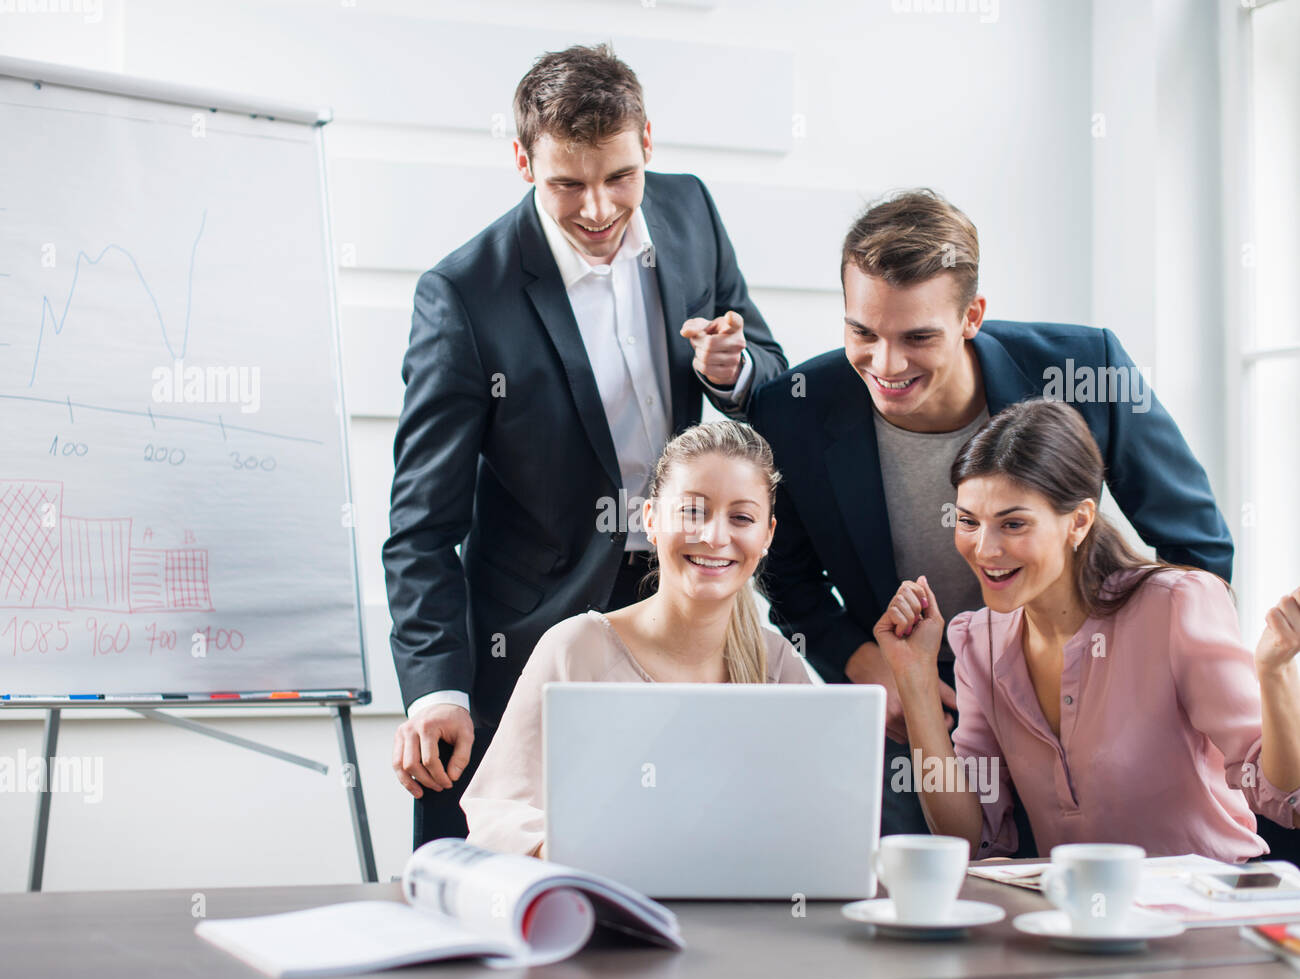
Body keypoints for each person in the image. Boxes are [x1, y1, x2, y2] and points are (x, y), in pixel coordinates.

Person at [383, 45, 787, 848]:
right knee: (497, 873)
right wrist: (437, 691)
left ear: (648, 141)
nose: (599, 209)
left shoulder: (691, 213)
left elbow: (769, 371)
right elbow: (420, 525)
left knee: (691, 854)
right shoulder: (463, 296)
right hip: (530, 631)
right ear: (522, 159)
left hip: (687, 611)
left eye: (620, 178)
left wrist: (734, 369)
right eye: (567, 183)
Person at [748, 188, 1233, 846]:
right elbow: (786, 577)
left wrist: (1143, 678)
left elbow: (1196, 542)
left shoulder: (1085, 367)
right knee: (940, 900)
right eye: (862, 333)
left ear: (972, 315)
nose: (885, 365)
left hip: (1094, 692)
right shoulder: (792, 411)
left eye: (918, 336)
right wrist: (858, 660)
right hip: (921, 701)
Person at [873, 399, 1300, 863]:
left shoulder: (1176, 604)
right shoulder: (978, 640)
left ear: (1078, 521)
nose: (985, 549)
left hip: (1205, 913)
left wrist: (1274, 671)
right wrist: (914, 677)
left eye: (1013, 524)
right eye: (968, 522)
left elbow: (1280, 793)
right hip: (1081, 921)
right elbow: (967, 837)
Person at [461, 421, 812, 856]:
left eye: (741, 517)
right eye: (692, 511)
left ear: (767, 536)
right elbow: (498, 812)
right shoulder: (577, 649)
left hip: (744, 914)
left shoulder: (776, 665)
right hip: (606, 908)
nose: (715, 536)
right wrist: (585, 854)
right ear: (650, 520)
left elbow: (816, 817)